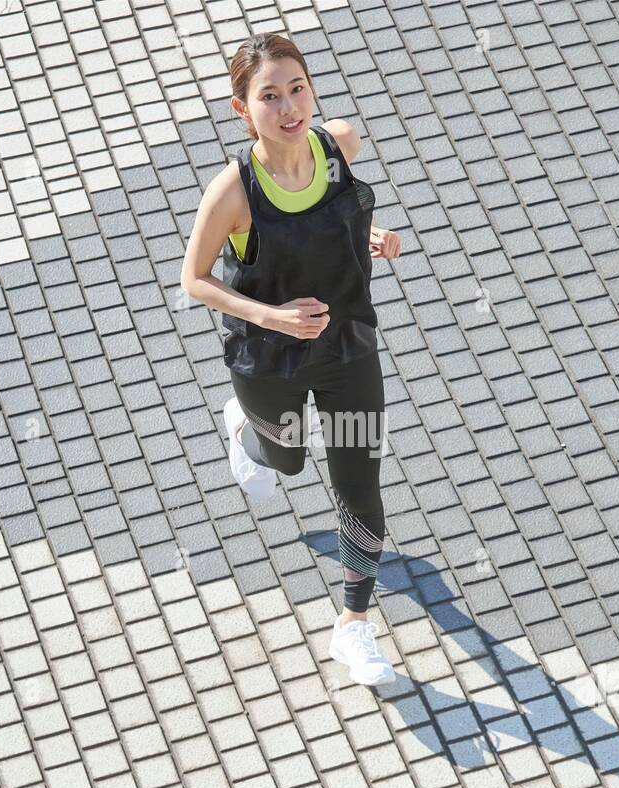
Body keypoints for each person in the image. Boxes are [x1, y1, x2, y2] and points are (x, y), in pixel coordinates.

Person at [180, 33, 403, 687]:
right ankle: (248, 431)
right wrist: (272, 317)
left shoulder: (339, 145)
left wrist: (369, 235)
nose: (288, 108)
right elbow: (195, 279)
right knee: (285, 458)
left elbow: (332, 220)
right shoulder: (235, 193)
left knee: (358, 483)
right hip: (269, 358)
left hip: (346, 349)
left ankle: (354, 626)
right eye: (268, 97)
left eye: (296, 88)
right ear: (241, 111)